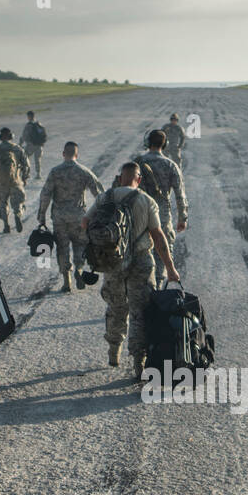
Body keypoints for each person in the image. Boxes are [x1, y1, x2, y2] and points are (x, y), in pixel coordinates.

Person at [81, 162, 180, 381]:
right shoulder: (146, 200)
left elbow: (85, 222)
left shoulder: (105, 198)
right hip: (142, 263)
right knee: (140, 311)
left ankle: (113, 351)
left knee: (116, 307)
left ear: (120, 177)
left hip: (112, 262)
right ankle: (139, 361)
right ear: (139, 179)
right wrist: (171, 268)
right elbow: (158, 236)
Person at [37, 142, 104, 292]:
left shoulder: (55, 172)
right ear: (76, 155)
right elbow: (99, 194)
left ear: (63, 154)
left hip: (60, 217)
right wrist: (100, 214)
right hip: (79, 217)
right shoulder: (84, 171)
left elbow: (45, 195)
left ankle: (67, 281)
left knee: (62, 248)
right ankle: (79, 270)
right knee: (80, 245)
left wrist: (42, 216)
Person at [136, 130, 188, 288]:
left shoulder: (137, 162)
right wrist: (182, 218)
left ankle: (144, 289)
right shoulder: (170, 165)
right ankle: (157, 287)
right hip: (162, 217)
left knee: (139, 254)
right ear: (164, 144)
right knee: (162, 255)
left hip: (140, 216)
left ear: (148, 142)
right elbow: (180, 194)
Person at [0, 127, 30, 233]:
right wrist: (24, 178)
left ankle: (6, 224)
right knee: (18, 202)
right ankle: (18, 215)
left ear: (0, 137)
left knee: (2, 203)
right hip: (15, 180)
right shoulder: (18, 149)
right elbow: (27, 165)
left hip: (1, 182)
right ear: (11, 136)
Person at [20, 110, 46, 179]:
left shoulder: (29, 125)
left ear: (29, 116)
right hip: (39, 145)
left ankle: (26, 173)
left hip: (31, 145)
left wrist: (20, 143)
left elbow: (24, 136)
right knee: (38, 159)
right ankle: (38, 174)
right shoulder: (39, 124)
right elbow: (44, 134)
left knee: (25, 158)